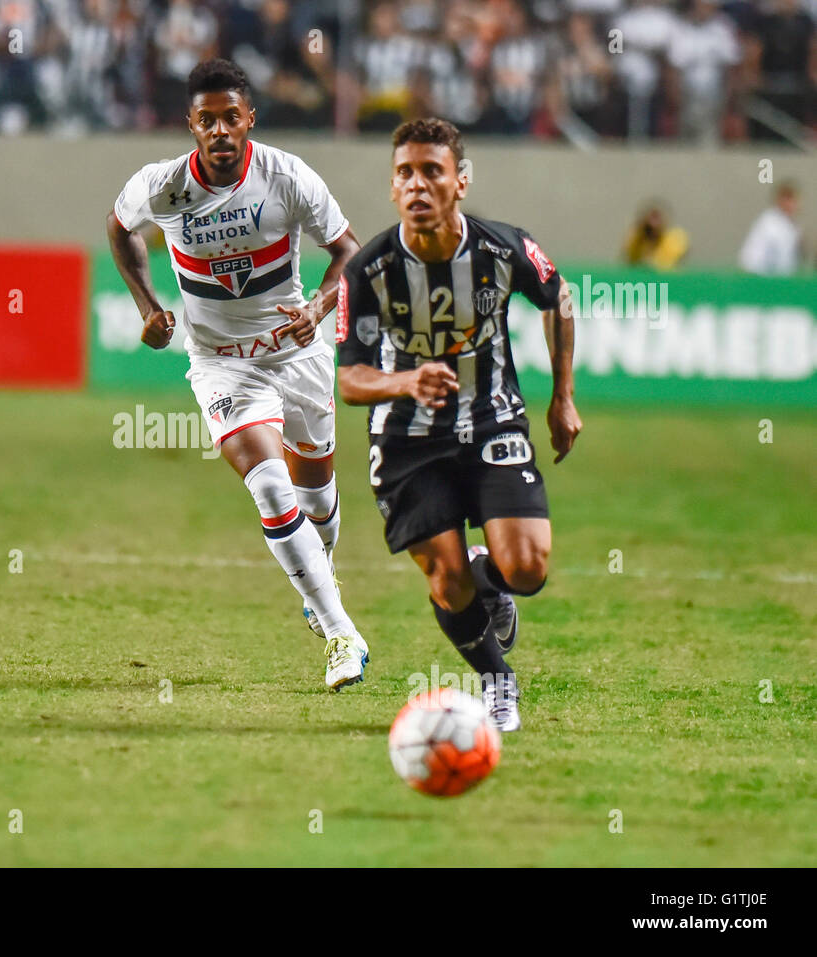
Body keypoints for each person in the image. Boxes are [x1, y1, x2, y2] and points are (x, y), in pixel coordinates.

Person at [106, 58, 370, 690]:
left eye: (231, 117)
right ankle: (342, 636)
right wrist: (149, 305)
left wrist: (318, 309)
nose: (220, 130)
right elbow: (120, 229)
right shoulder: (161, 186)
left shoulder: (288, 176)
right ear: (190, 125)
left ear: (249, 117)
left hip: (297, 352)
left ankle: (321, 575)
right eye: (207, 120)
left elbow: (349, 254)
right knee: (272, 490)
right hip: (222, 364)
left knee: (317, 495)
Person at [335, 117, 583, 730]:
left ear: (460, 182)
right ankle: (498, 682)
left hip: (492, 421)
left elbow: (558, 299)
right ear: (392, 189)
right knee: (446, 581)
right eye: (404, 174)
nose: (417, 186)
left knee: (527, 569)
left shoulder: (504, 248)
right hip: (406, 441)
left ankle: (488, 575)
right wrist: (404, 382)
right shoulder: (366, 272)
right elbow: (350, 380)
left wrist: (563, 398)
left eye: (431, 172)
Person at [738, 182, 803, 275]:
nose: (792, 204)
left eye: (793, 200)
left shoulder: (792, 227)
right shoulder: (768, 224)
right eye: (788, 199)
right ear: (779, 200)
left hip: (782, 280)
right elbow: (751, 258)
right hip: (762, 279)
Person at [623, 203, 689, 270]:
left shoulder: (674, 240)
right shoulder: (636, 239)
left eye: (657, 218)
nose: (653, 225)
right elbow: (628, 255)